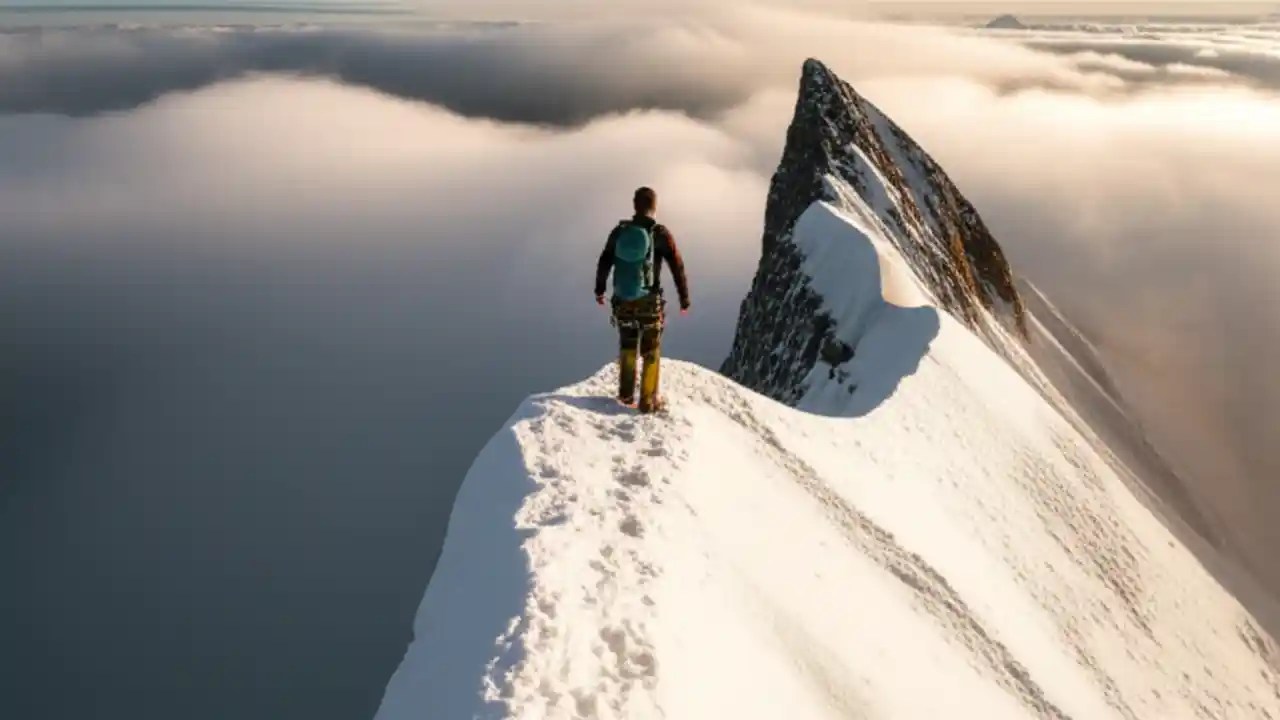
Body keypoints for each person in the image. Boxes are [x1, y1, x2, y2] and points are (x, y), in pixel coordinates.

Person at [594, 187, 691, 414]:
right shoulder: (660, 234)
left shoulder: (619, 232)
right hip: (649, 300)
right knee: (651, 349)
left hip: (623, 299)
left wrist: (600, 290)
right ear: (654, 207)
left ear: (634, 205)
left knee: (628, 344)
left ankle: (626, 395)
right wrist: (684, 299)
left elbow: (605, 260)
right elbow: (677, 266)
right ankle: (648, 400)